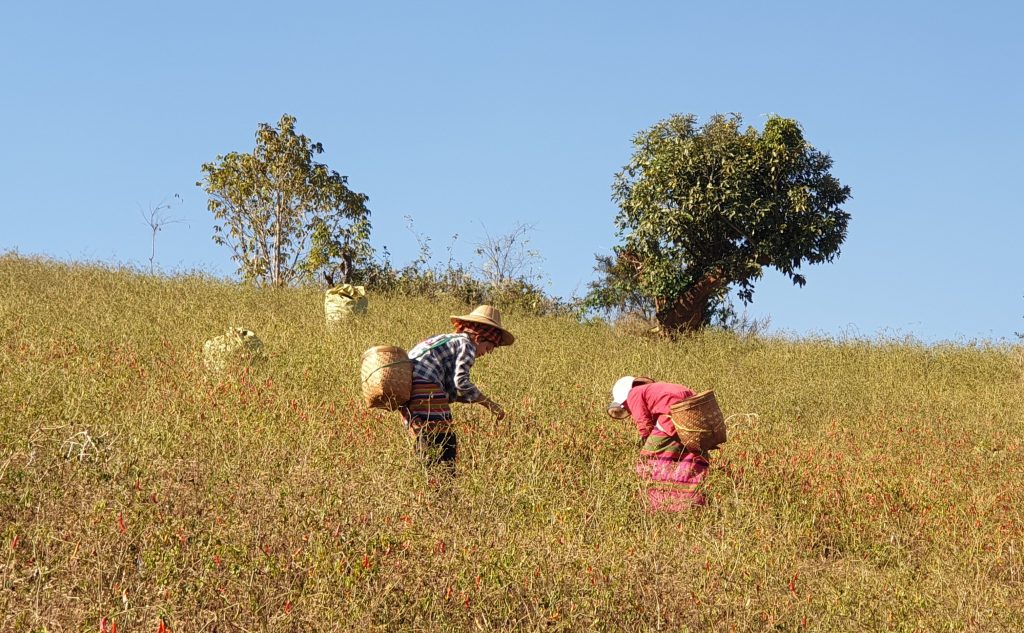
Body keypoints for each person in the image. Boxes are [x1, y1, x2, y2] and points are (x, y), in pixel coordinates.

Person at [400, 305, 514, 472]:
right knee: (444, 443)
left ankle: (427, 486)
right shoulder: (466, 344)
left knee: (426, 439)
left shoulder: (447, 339)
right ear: (479, 338)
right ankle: (441, 488)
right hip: (426, 388)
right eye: (488, 348)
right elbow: (461, 382)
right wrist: (490, 405)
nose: (485, 354)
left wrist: (467, 399)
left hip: (411, 391)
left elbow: (452, 387)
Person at [608, 376, 709, 510]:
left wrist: (646, 442)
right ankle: (692, 502)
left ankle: (655, 502)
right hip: (693, 423)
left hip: (673, 421)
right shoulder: (655, 388)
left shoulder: (634, 394)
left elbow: (644, 424)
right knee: (690, 459)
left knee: (647, 461)